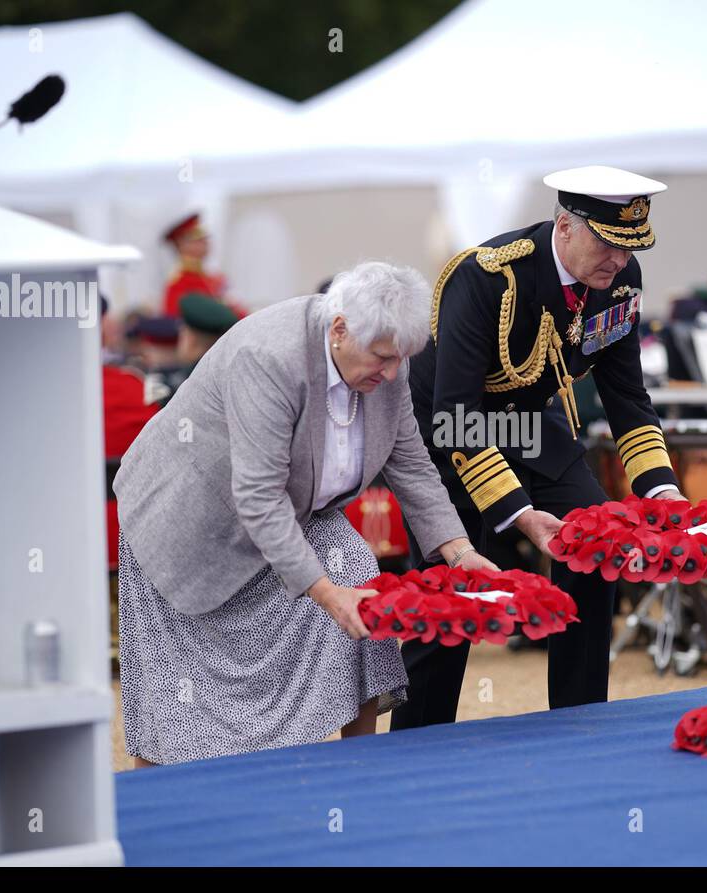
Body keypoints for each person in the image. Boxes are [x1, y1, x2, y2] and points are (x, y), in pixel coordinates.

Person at [112, 262, 495, 766]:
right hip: (188, 519)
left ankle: (360, 766)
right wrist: (324, 592)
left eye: (401, 359)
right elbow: (258, 496)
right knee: (178, 713)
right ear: (339, 329)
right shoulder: (268, 357)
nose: (392, 373)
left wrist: (460, 551)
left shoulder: (385, 360)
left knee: (355, 567)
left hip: (290, 510)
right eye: (382, 358)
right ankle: (163, 797)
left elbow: (412, 464)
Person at [393, 165, 686, 731]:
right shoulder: (484, 276)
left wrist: (663, 491)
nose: (619, 262)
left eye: (630, 248)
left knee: (593, 539)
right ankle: (419, 740)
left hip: (529, 423)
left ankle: (577, 727)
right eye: (608, 243)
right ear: (566, 226)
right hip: (450, 427)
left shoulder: (620, 279)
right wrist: (522, 516)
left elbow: (626, 395)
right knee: (454, 588)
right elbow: (458, 415)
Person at [160, 213, 245, 319]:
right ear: (182, 245)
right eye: (198, 240)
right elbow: (174, 319)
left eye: (205, 239)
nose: (206, 243)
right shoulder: (179, 282)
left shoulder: (213, 277)